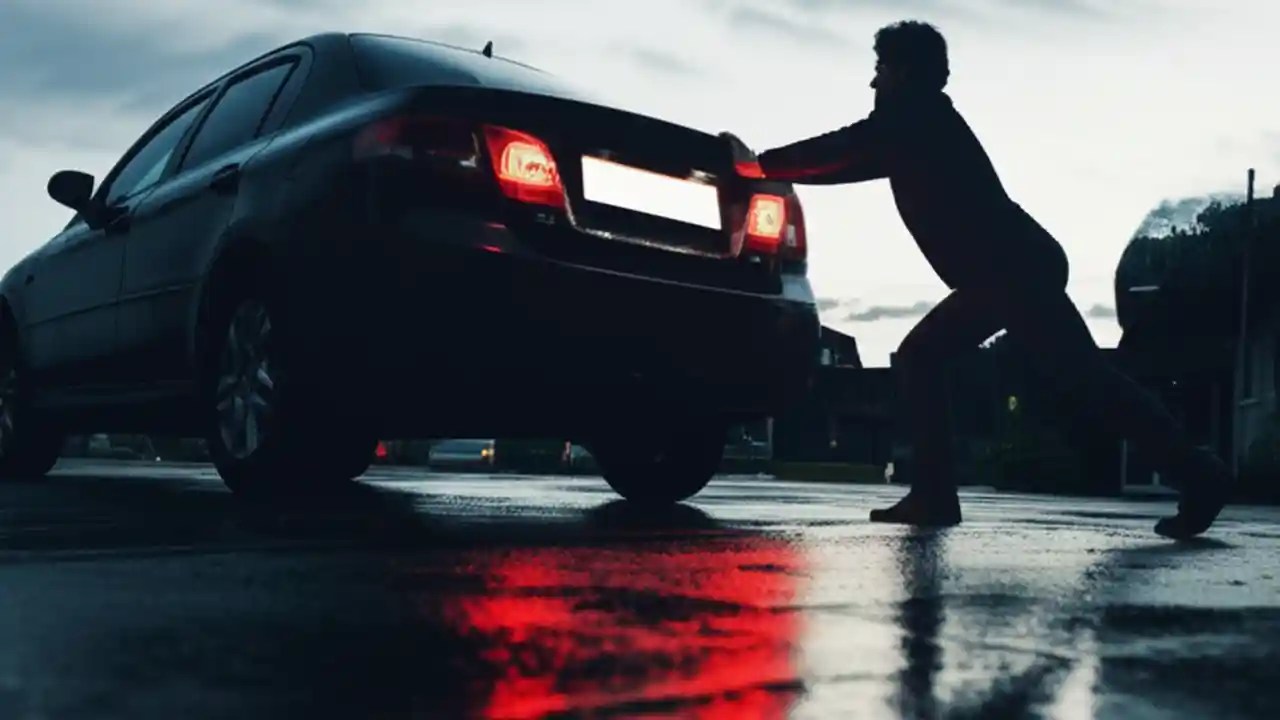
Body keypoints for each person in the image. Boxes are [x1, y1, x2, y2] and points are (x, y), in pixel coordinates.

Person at [721, 20, 1230, 538]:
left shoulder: (913, 120)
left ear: (904, 72)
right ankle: (938, 495)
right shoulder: (916, 126)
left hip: (1011, 271)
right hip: (1008, 271)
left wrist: (758, 166)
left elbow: (841, 149)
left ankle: (1196, 474)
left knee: (1016, 370)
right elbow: (847, 159)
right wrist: (771, 169)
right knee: (1029, 371)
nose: (873, 83)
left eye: (880, 70)